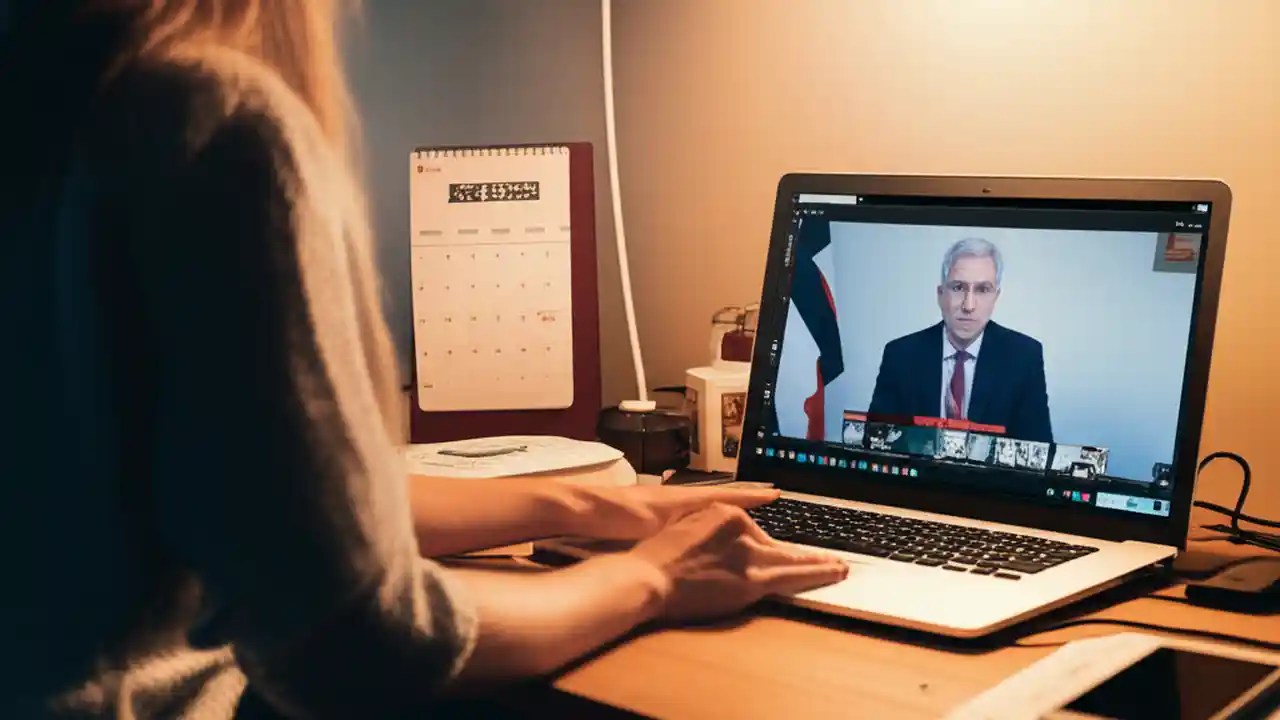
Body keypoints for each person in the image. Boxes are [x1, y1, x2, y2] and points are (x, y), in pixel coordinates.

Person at [0, 2, 848, 717]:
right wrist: (652, 582)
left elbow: (292, 506)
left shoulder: (51, 102)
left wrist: (585, 506)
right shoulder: (205, 118)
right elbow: (352, 640)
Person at [868, 238, 1052, 442]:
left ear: (996, 297)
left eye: (983, 290)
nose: (969, 305)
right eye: (958, 288)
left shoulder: (1024, 357)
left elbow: (1038, 453)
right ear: (940, 295)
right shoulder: (900, 355)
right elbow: (876, 443)